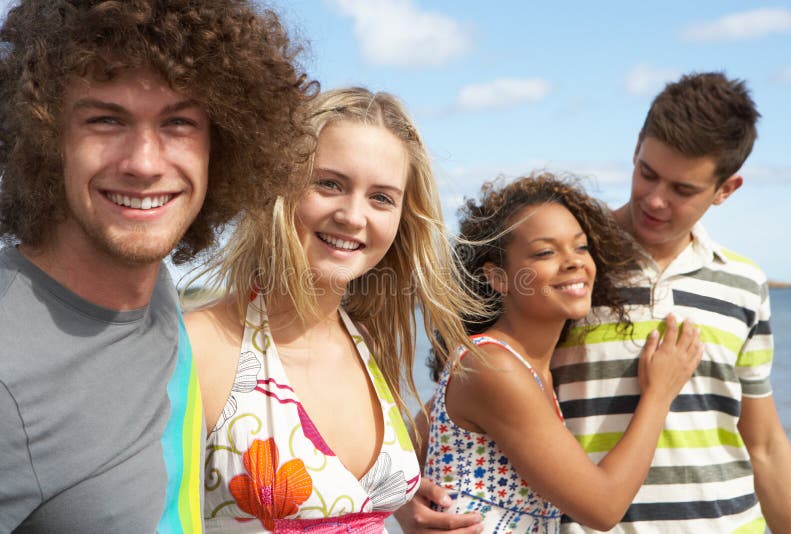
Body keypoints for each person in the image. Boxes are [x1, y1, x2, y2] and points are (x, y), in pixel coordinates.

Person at [0, 1, 312, 531]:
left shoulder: (154, 291)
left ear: (223, 143)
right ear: (48, 139)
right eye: (105, 119)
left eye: (179, 122)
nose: (144, 163)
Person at [184, 87, 482, 532]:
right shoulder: (198, 346)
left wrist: (387, 509)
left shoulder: (366, 337)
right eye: (329, 184)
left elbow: (335, 490)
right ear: (278, 186)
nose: (352, 215)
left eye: (381, 197)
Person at [551, 72, 791, 533]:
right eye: (647, 173)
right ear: (636, 148)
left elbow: (764, 444)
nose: (656, 200)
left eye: (683, 190)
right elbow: (488, 374)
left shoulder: (745, 283)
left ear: (726, 189)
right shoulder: (570, 264)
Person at [419, 174, 702, 532]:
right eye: (545, 252)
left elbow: (407, 445)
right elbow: (603, 507)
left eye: (581, 247)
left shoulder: (515, 364)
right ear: (498, 277)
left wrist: (406, 498)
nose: (573, 262)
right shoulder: (495, 368)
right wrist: (660, 393)